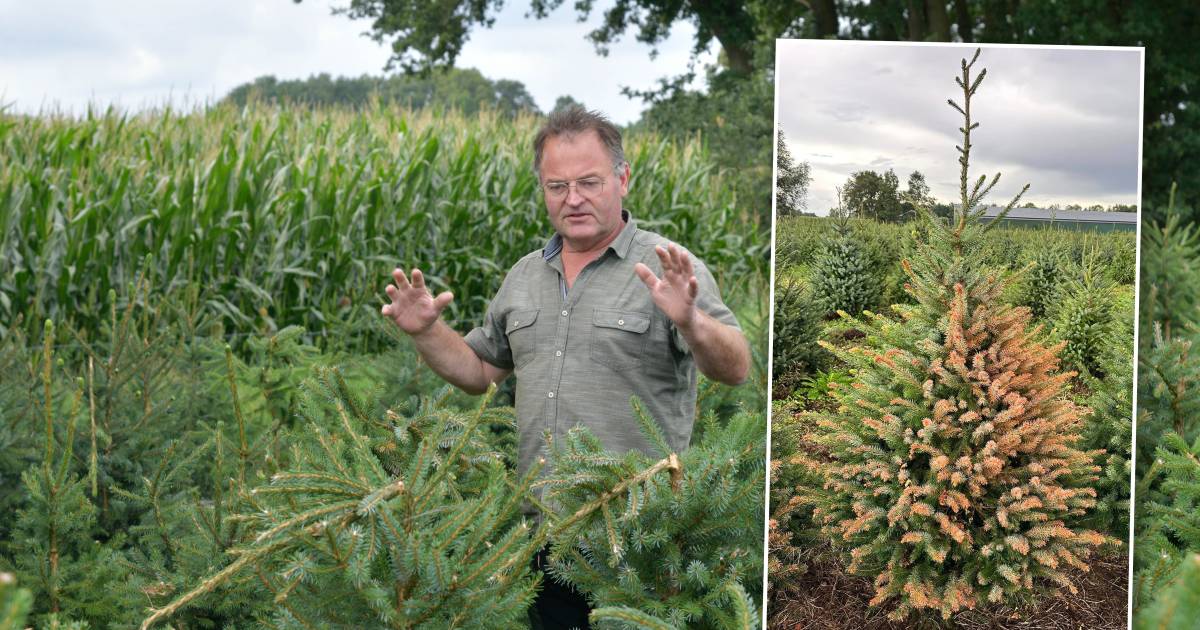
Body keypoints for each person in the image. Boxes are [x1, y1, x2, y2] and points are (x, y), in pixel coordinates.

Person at [380, 106, 749, 628]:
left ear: (622, 179)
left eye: (588, 182)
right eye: (557, 186)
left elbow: (735, 367)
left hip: (640, 538)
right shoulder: (525, 276)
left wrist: (692, 321)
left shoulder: (665, 267)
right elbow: (479, 371)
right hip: (546, 536)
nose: (572, 199)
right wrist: (426, 331)